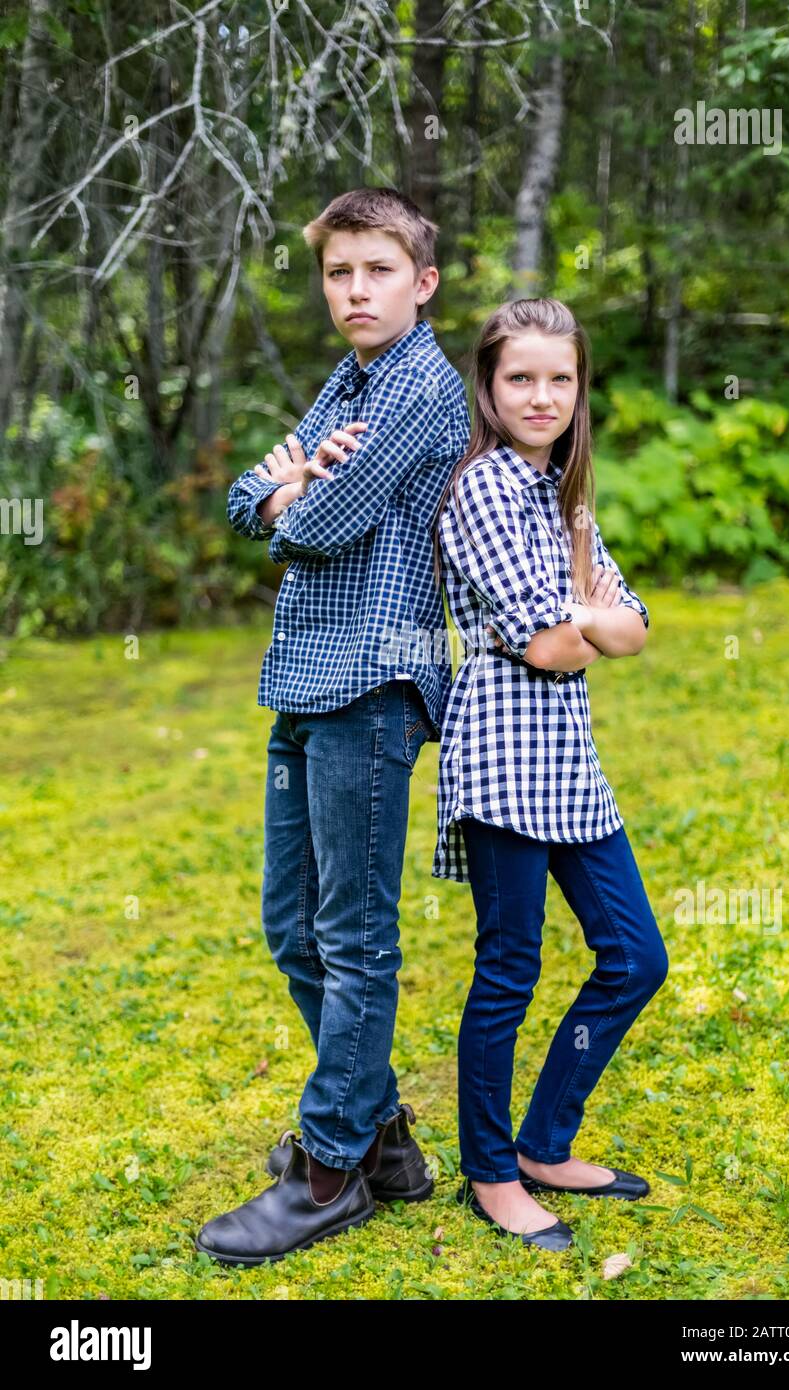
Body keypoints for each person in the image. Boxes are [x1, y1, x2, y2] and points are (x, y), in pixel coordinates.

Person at [195, 188, 469, 1267]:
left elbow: (316, 523)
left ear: (422, 281)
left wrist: (287, 490)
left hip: (370, 683)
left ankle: (330, 1170)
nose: (354, 289)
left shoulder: (416, 386)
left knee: (353, 940)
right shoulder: (348, 379)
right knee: (292, 928)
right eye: (337, 273)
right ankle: (387, 1138)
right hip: (303, 677)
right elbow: (244, 498)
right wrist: (276, 491)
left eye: (375, 270)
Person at [429, 297, 669, 1252]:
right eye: (520, 377)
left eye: (559, 378)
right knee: (510, 969)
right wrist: (584, 619)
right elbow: (552, 644)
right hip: (500, 760)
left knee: (636, 956)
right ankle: (492, 1174)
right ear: (488, 387)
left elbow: (633, 628)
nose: (541, 395)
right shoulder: (484, 488)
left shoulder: (565, 499)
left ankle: (543, 1142)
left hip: (569, 765)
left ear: (579, 388)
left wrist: (590, 622)